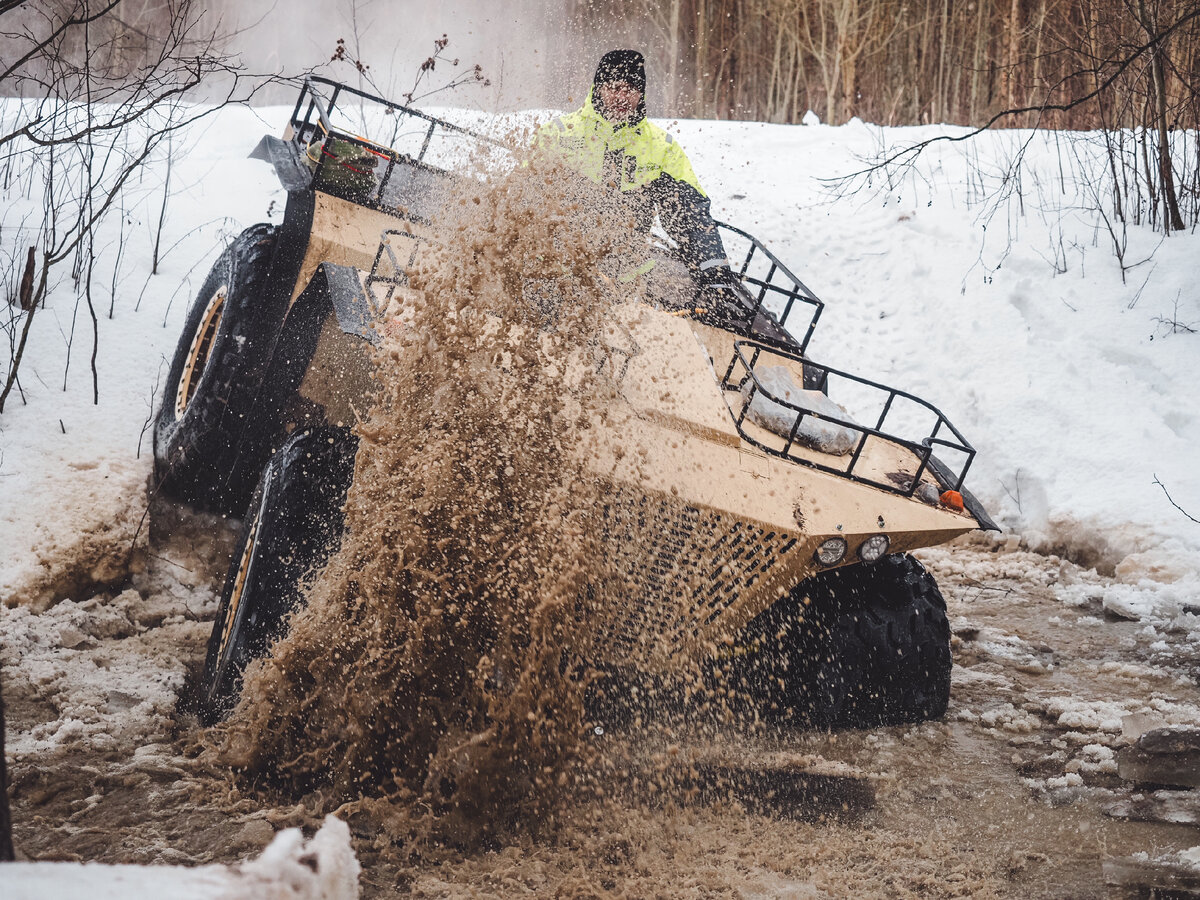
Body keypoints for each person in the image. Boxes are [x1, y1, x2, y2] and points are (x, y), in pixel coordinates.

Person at [534, 49, 736, 297]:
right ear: (598, 88)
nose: (621, 96)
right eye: (614, 87)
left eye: (630, 89)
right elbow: (523, 203)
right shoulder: (556, 135)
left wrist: (715, 275)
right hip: (556, 272)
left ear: (641, 93)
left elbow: (691, 214)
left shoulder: (662, 148)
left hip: (627, 282)